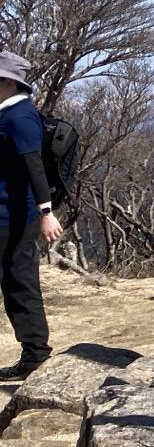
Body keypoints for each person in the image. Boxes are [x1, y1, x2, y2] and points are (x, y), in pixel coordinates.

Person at [0, 52, 61, 378]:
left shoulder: (19, 118)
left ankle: (35, 355)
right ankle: (33, 355)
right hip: (8, 215)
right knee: (16, 284)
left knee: (20, 285)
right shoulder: (10, 113)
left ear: (9, 82)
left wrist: (46, 212)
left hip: (13, 217)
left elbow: (33, 166)